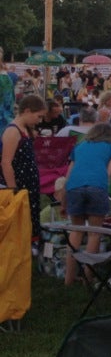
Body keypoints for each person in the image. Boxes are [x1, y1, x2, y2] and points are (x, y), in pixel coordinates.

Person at [62, 123, 111, 286]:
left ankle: (69, 278)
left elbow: (69, 172)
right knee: (94, 233)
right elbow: (108, 172)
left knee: (76, 231)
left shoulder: (80, 146)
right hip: (97, 186)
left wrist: (64, 197)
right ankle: (89, 277)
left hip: (74, 186)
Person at [0, 94, 46, 250]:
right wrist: (13, 190)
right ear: (27, 111)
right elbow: (6, 162)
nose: (39, 121)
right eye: (38, 116)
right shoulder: (12, 131)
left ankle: (26, 249)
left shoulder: (24, 129)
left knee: (29, 217)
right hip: (18, 183)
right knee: (19, 219)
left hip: (28, 182)